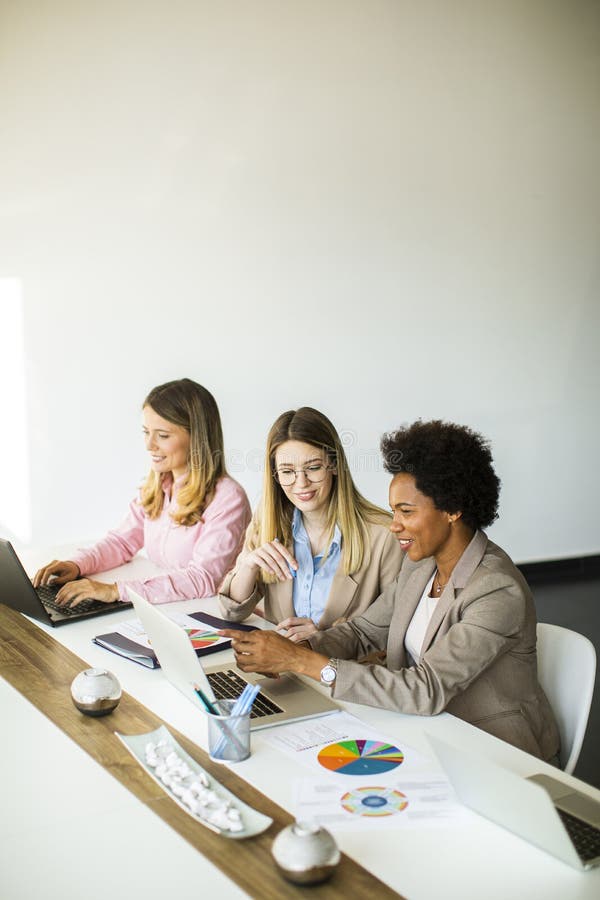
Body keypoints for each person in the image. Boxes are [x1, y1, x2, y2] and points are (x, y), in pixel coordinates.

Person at [219, 419, 560, 762]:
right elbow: (364, 632)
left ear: (454, 509)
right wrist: (294, 649)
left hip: (493, 751)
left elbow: (425, 689)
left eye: (406, 512)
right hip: (424, 731)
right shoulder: (421, 564)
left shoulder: (495, 589)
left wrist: (301, 660)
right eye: (394, 510)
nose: (394, 524)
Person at [34, 378, 251, 607]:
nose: (149, 445)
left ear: (196, 438)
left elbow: (203, 578)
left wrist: (115, 590)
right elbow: (121, 542)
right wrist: (77, 565)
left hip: (206, 614)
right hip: (166, 607)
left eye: (163, 435)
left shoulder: (228, 498)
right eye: (146, 432)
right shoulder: (158, 486)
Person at [219, 407, 404, 641]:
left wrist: (325, 639)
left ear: (334, 465)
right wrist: (248, 565)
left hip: (340, 671)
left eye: (313, 468)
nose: (301, 483)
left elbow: (394, 630)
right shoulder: (268, 521)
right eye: (287, 471)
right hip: (280, 666)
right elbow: (231, 612)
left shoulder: (384, 535)